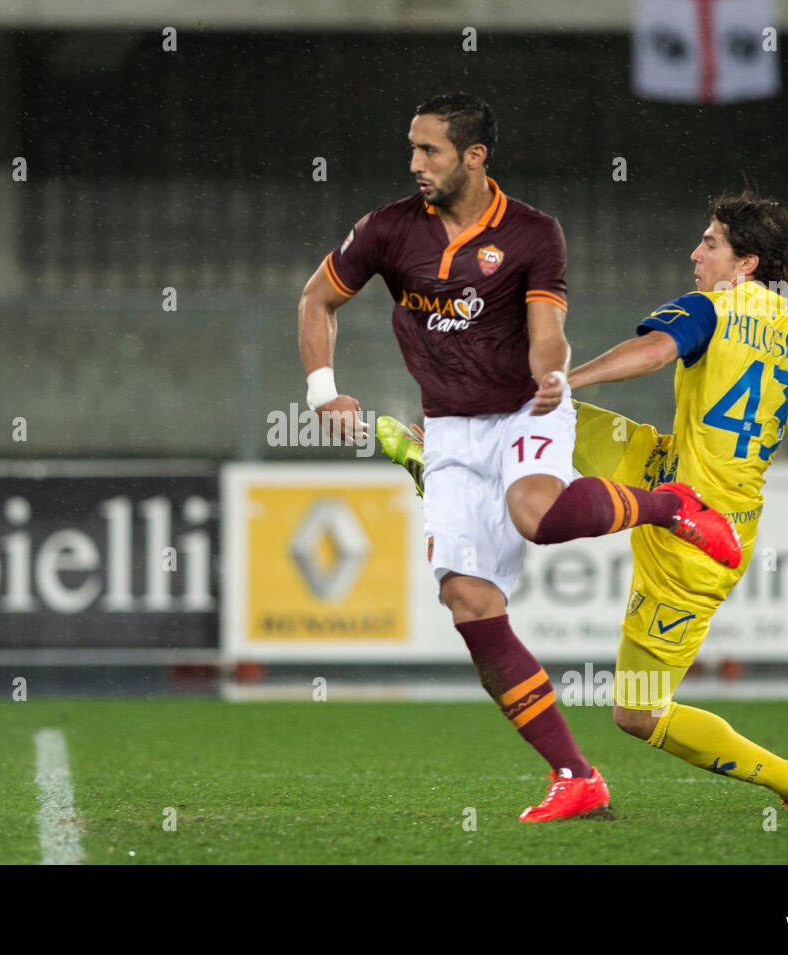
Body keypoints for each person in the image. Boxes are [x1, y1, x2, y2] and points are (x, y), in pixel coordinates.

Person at [298, 92, 740, 822]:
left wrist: (550, 371)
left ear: (474, 155)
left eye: (430, 150)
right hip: (447, 432)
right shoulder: (384, 230)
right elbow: (318, 300)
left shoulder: (533, 232)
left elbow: (547, 328)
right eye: (412, 148)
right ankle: (577, 776)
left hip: (524, 410)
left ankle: (671, 506)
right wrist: (322, 394)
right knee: (469, 603)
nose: (415, 163)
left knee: (534, 512)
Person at [539, 192, 788, 810]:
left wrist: (573, 375)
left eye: (711, 243)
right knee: (553, 419)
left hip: (695, 543)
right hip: (676, 483)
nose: (695, 252)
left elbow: (654, 351)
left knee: (638, 712)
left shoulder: (713, 307)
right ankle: (441, 458)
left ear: (745, 263)